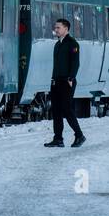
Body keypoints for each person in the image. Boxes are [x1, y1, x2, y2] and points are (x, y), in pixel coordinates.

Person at [44, 18, 85, 148]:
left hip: (67, 81)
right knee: (55, 110)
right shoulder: (57, 44)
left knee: (67, 109)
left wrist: (71, 78)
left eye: (58, 28)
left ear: (66, 29)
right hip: (56, 81)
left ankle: (79, 135)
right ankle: (58, 138)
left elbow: (75, 62)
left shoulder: (72, 44)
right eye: (55, 28)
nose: (56, 30)